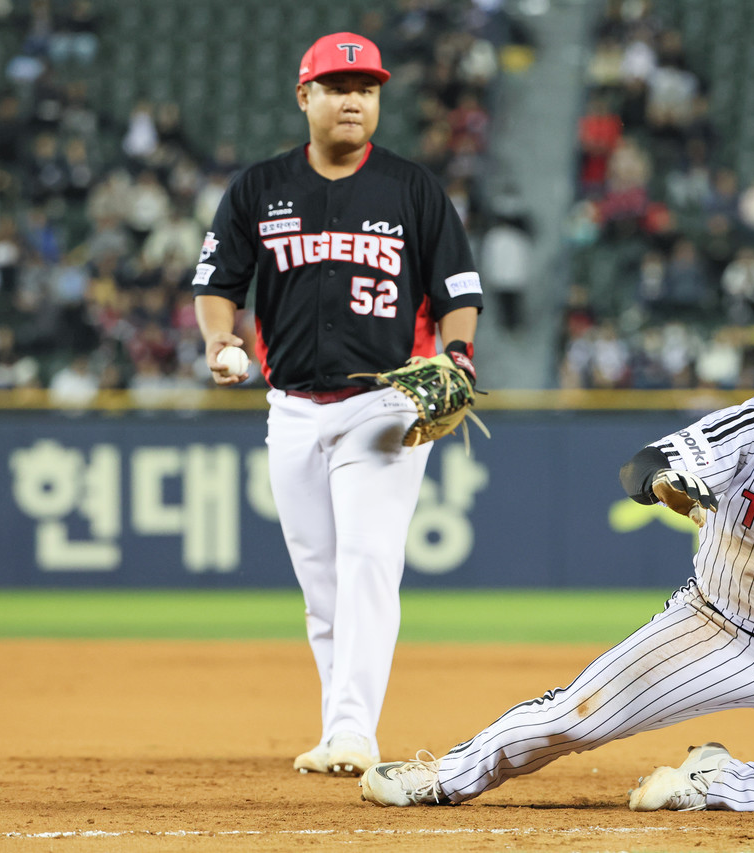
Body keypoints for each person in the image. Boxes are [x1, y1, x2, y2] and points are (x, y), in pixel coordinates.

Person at [359, 303, 754, 811]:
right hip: (714, 627)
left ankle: (716, 782)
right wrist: (664, 482)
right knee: (575, 716)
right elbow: (641, 465)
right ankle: (443, 777)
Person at [192, 32, 483, 777]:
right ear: (305, 97)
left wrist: (457, 356)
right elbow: (219, 284)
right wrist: (220, 341)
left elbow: (458, 292)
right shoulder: (259, 188)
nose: (354, 99)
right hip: (288, 407)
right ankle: (341, 726)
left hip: (384, 404)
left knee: (365, 563)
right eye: (338, 86)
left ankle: (355, 729)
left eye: (367, 87)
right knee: (321, 579)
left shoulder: (413, 188)